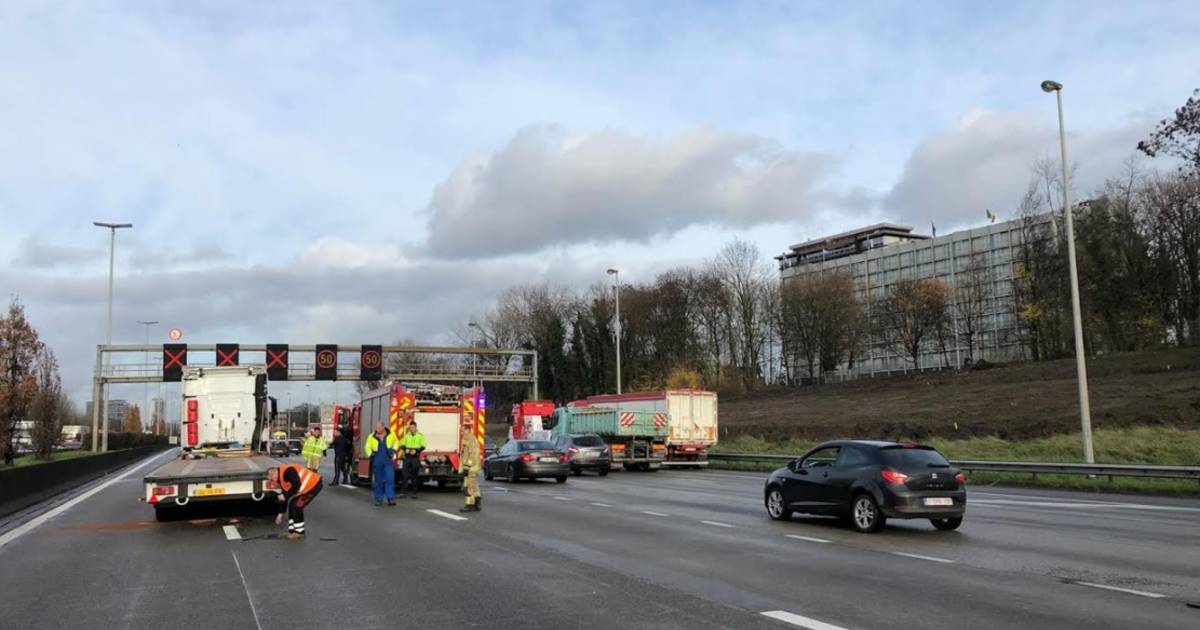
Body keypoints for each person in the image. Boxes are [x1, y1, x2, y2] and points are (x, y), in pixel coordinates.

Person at [270, 461, 323, 540]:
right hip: (306, 488)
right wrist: (280, 514)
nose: (273, 481)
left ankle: (299, 533)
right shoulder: (281, 478)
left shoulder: (287, 471)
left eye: (271, 479)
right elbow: (285, 498)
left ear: (274, 474)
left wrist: (284, 495)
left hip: (313, 485)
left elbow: (296, 485)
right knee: (292, 504)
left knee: (297, 506)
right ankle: (292, 531)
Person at [364, 421, 399, 506]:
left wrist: (394, 450)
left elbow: (396, 441)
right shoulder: (372, 436)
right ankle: (378, 499)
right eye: (376, 427)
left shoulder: (391, 434)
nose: (377, 429)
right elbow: (367, 446)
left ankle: (390, 498)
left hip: (388, 460)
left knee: (390, 479)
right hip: (377, 460)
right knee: (378, 480)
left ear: (383, 427)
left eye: (379, 427)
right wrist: (371, 455)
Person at [398, 422, 426, 498]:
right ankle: (403, 492)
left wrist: (416, 451)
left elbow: (423, 446)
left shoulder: (420, 436)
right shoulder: (407, 436)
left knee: (414, 475)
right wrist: (405, 449)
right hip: (407, 457)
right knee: (404, 475)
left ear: (416, 428)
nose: (412, 429)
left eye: (413, 427)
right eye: (410, 428)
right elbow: (402, 444)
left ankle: (414, 493)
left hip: (415, 457)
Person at [459, 433, 482, 513]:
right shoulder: (467, 439)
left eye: (463, 429)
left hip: (471, 468)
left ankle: (469, 505)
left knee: (468, 487)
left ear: (468, 429)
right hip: (470, 467)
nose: (461, 431)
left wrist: (467, 466)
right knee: (473, 485)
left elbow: (472, 456)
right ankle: (477, 502)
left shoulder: (470, 440)